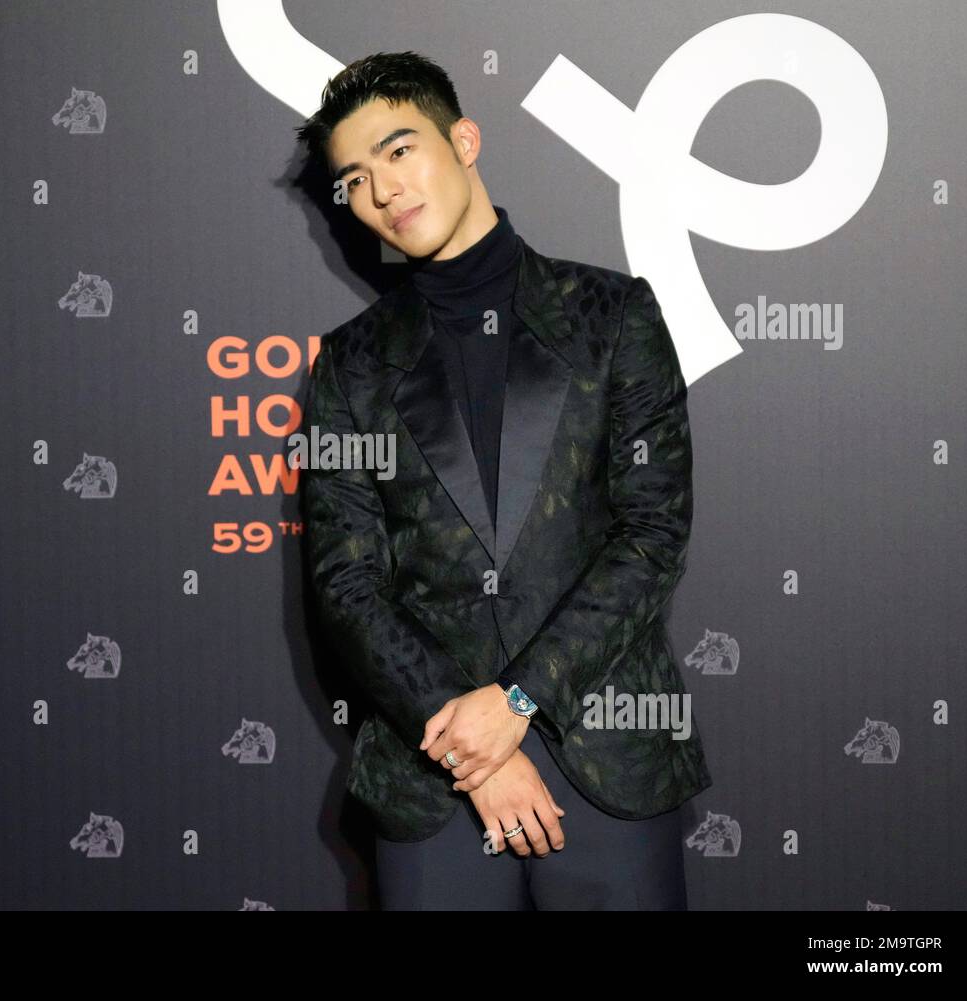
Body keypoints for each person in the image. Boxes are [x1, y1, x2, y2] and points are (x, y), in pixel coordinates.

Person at [296, 52, 712, 910]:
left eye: (399, 150)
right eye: (356, 180)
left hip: (605, 758)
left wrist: (517, 701)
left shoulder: (615, 316)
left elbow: (653, 533)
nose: (383, 191)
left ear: (464, 138)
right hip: (430, 780)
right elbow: (345, 582)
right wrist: (470, 741)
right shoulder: (349, 366)